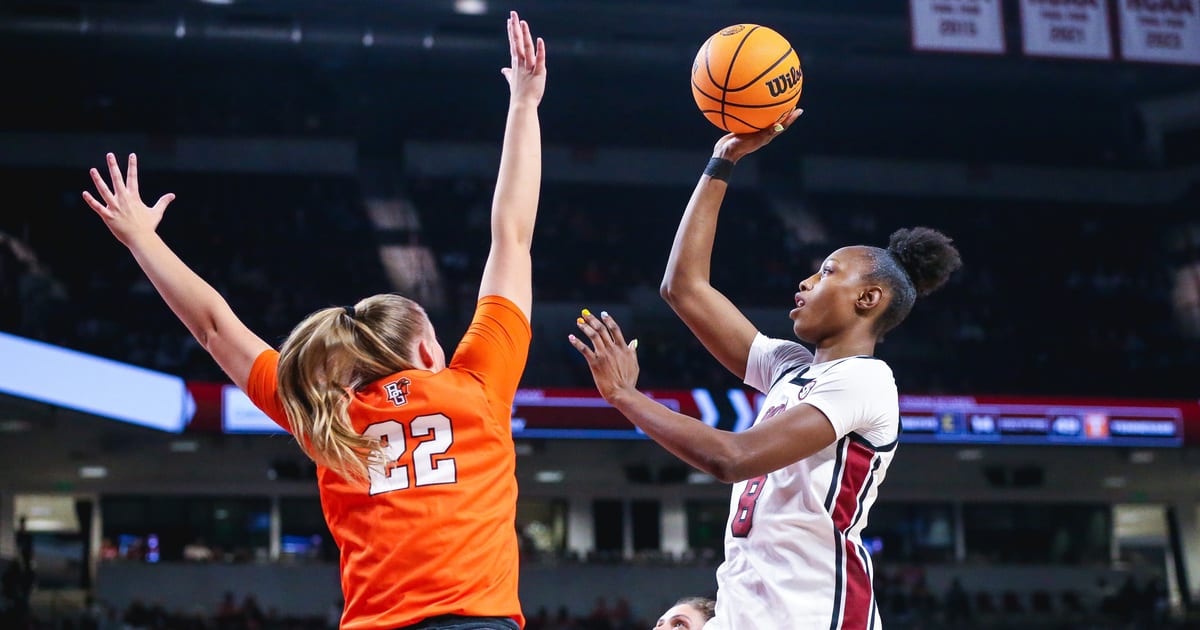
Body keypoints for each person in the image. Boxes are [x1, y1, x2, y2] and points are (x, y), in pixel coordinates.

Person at [82, 10, 547, 629]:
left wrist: (142, 239)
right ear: (428, 353)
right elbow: (512, 236)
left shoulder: (327, 416)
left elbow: (214, 327)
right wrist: (524, 104)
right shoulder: (476, 388)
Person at [568, 111, 962, 629]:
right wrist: (722, 161)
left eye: (826, 272)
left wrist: (626, 396)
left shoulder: (866, 381)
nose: (805, 282)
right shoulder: (789, 367)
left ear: (868, 298)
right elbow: (683, 287)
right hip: (746, 610)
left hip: (816, 614)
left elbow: (732, 458)